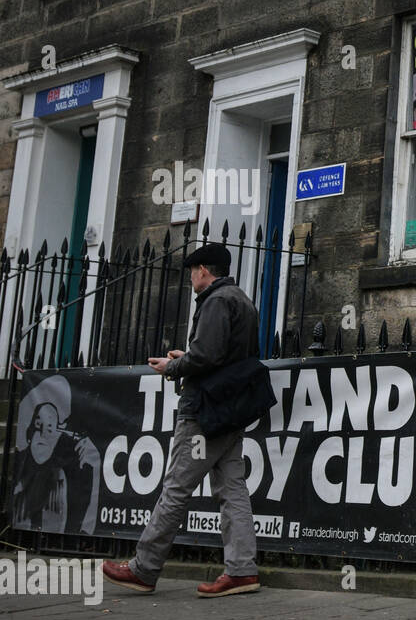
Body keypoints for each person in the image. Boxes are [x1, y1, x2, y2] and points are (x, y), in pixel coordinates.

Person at [101, 243, 263, 599]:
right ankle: (242, 570)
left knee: (176, 487)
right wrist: (187, 356)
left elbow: (206, 356)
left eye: (193, 271)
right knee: (232, 489)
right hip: (230, 410)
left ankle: (144, 569)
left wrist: (172, 366)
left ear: (203, 270)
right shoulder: (242, 300)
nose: (191, 277)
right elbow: (224, 356)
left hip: (204, 413)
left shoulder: (217, 301)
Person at [11, 375, 100, 534]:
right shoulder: (18, 471)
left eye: (51, 427)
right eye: (38, 424)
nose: (43, 433)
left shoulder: (62, 478)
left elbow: (84, 528)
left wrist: (94, 468)